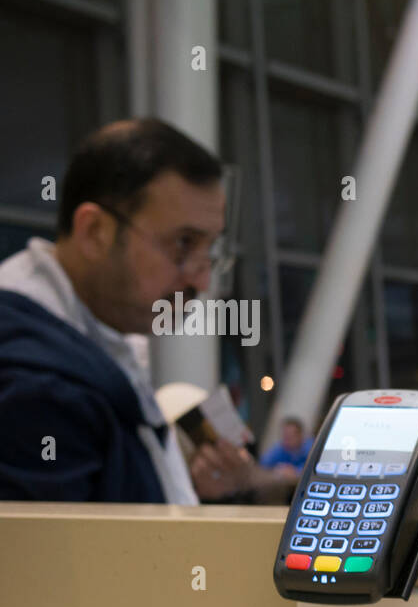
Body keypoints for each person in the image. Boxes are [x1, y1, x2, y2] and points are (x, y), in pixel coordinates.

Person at [0, 118, 252, 503]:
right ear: (95, 232)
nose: (200, 281)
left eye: (209, 251)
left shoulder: (89, 343)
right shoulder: (39, 386)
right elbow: (73, 563)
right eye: (183, 244)